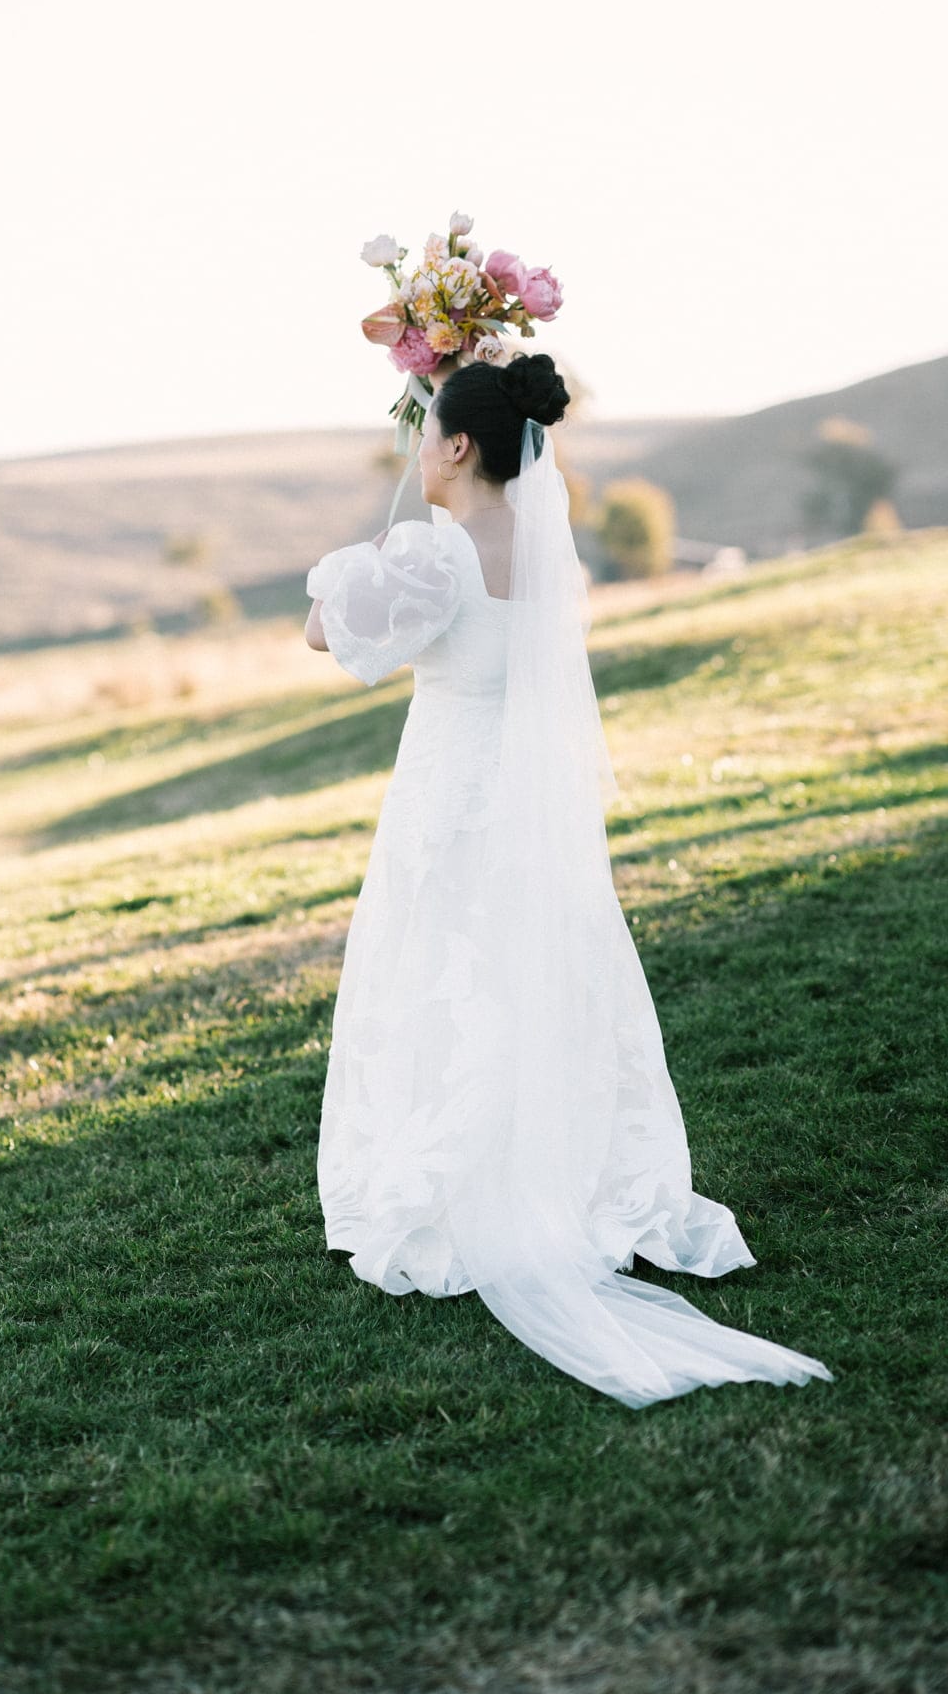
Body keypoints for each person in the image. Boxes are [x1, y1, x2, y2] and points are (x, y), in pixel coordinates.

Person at [303, 351, 832, 1408]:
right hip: (530, 805)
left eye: (426, 430)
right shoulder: (548, 557)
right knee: (530, 979)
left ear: (456, 444)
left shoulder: (434, 553)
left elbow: (326, 634)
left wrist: (362, 555)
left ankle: (451, 1184)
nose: (418, 445)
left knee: (439, 972)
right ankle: (566, 1173)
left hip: (449, 799)